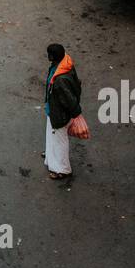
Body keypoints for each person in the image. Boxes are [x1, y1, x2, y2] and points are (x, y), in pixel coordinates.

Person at [43, 44, 89, 182]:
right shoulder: (65, 63)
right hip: (54, 110)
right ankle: (50, 156)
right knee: (52, 136)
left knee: (59, 141)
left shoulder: (60, 80)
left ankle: (62, 169)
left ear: (52, 57)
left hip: (59, 115)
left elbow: (68, 100)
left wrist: (76, 114)